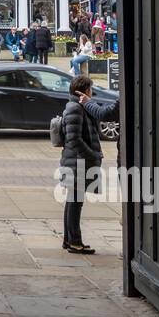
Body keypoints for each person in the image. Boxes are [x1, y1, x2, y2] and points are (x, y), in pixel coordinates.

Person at [60, 74, 116, 254]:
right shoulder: (75, 108)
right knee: (75, 202)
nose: (92, 92)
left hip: (76, 161)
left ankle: (69, 240)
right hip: (78, 163)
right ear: (85, 90)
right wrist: (91, 154)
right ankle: (75, 241)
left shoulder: (79, 106)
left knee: (73, 201)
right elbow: (74, 138)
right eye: (91, 89)